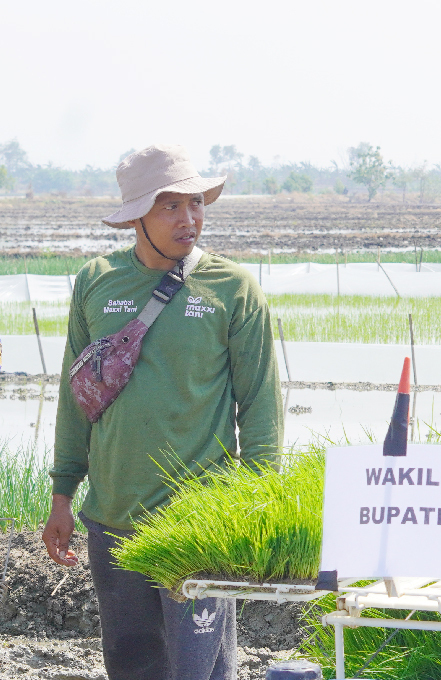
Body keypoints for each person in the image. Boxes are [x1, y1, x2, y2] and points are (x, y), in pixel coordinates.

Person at [42, 144, 283, 680]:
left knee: (199, 670)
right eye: (169, 206)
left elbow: (261, 405)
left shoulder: (232, 289)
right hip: (113, 519)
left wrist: (257, 504)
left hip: (198, 524)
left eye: (195, 203)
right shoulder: (97, 281)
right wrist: (63, 493)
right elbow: (74, 395)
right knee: (130, 664)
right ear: (137, 218)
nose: (188, 218)